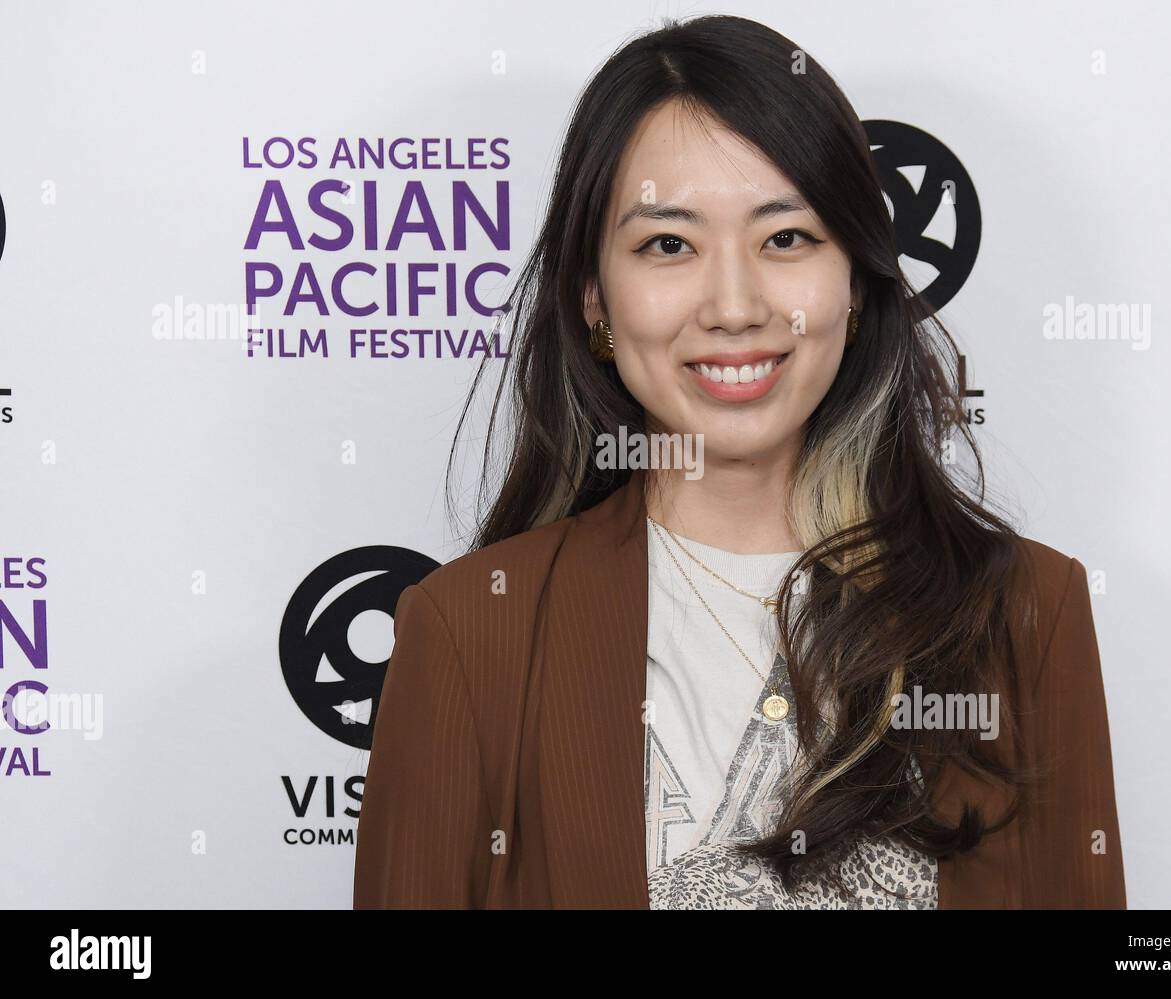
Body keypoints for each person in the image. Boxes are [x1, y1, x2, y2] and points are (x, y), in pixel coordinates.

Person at [353, 13, 1125, 909]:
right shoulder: (469, 633)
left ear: (856, 282)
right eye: (667, 244)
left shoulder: (1025, 614)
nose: (733, 305)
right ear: (595, 299)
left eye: (786, 238)